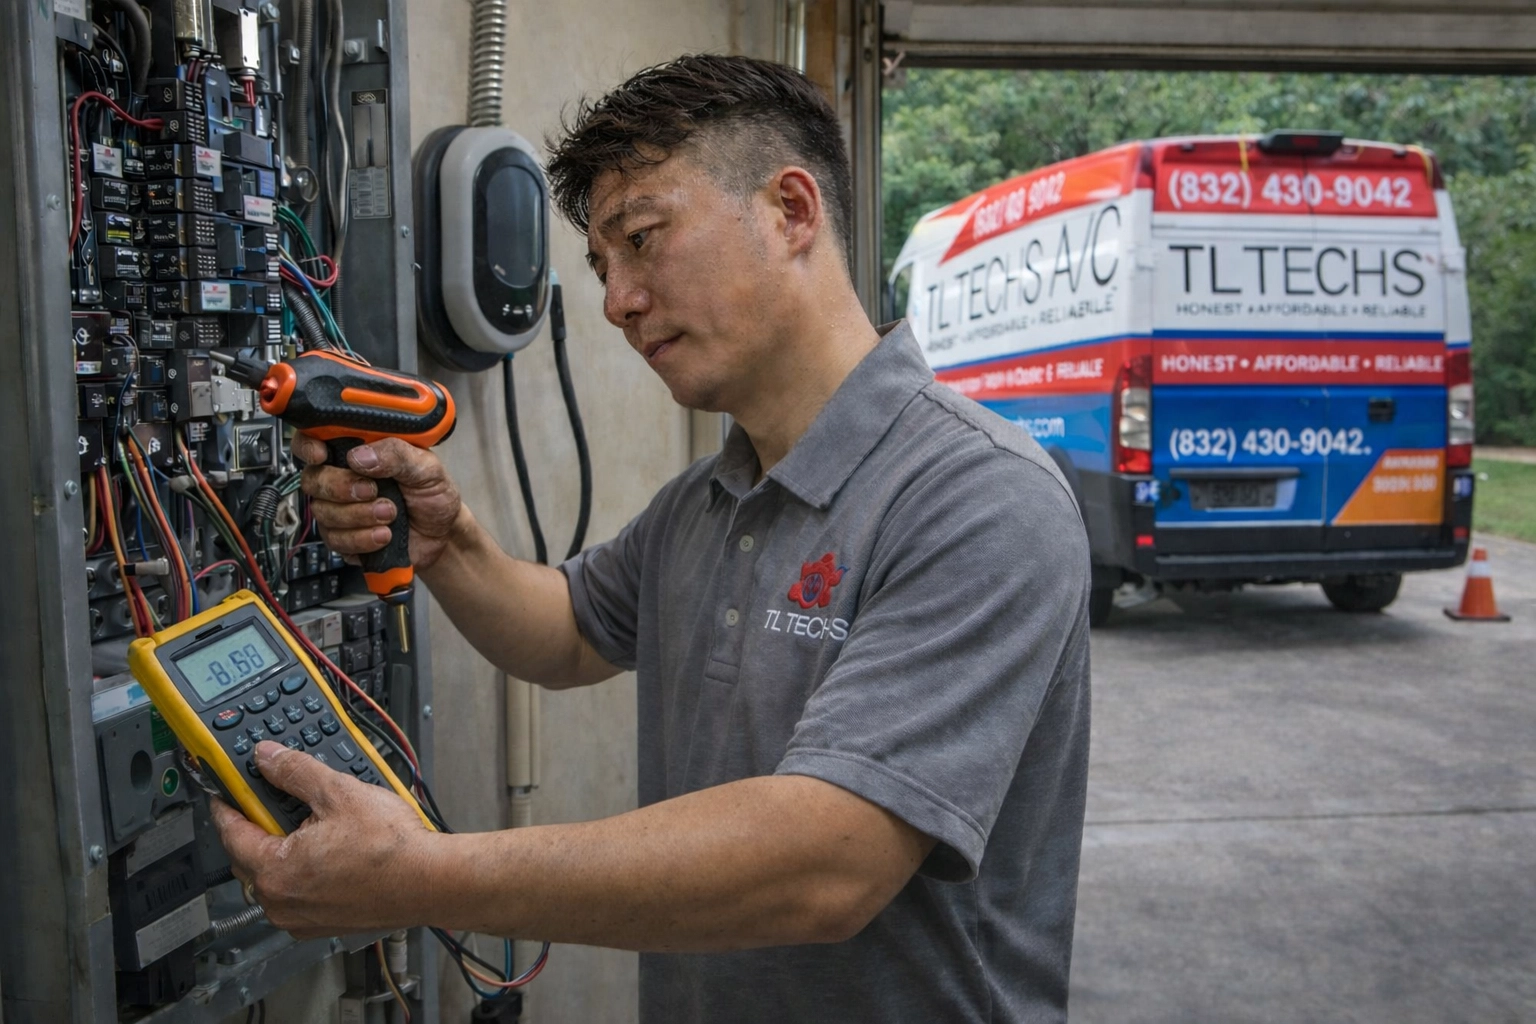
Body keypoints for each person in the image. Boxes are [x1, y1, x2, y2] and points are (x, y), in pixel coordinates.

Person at [212, 53, 1092, 1022]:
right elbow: (569, 632)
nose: (617, 300)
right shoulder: (710, 498)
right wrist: (450, 541)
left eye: (644, 240)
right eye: (602, 265)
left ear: (791, 211)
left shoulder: (976, 495)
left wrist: (420, 875)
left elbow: (827, 864)